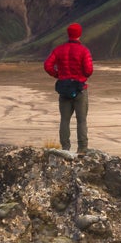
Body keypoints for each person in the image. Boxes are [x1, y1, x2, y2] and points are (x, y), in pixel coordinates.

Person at [43, 23, 95, 152]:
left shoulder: (59, 50)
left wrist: (58, 75)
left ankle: (65, 148)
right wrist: (81, 76)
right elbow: (89, 70)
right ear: (79, 34)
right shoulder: (84, 51)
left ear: (68, 34)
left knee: (64, 120)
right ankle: (82, 149)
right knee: (81, 121)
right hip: (80, 89)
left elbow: (47, 65)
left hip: (64, 89)